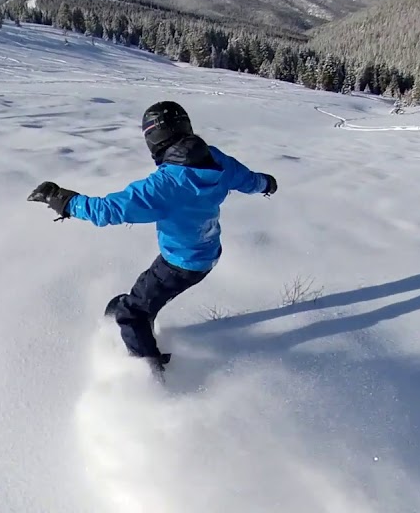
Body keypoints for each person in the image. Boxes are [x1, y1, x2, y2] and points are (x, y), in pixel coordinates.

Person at [27, 100, 277, 373]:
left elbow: (108, 210)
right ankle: (142, 332)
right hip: (204, 252)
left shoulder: (166, 185)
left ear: (154, 137)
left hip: (181, 263)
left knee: (129, 313)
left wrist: (61, 199)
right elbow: (247, 179)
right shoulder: (215, 159)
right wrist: (266, 183)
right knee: (137, 301)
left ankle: (149, 376)